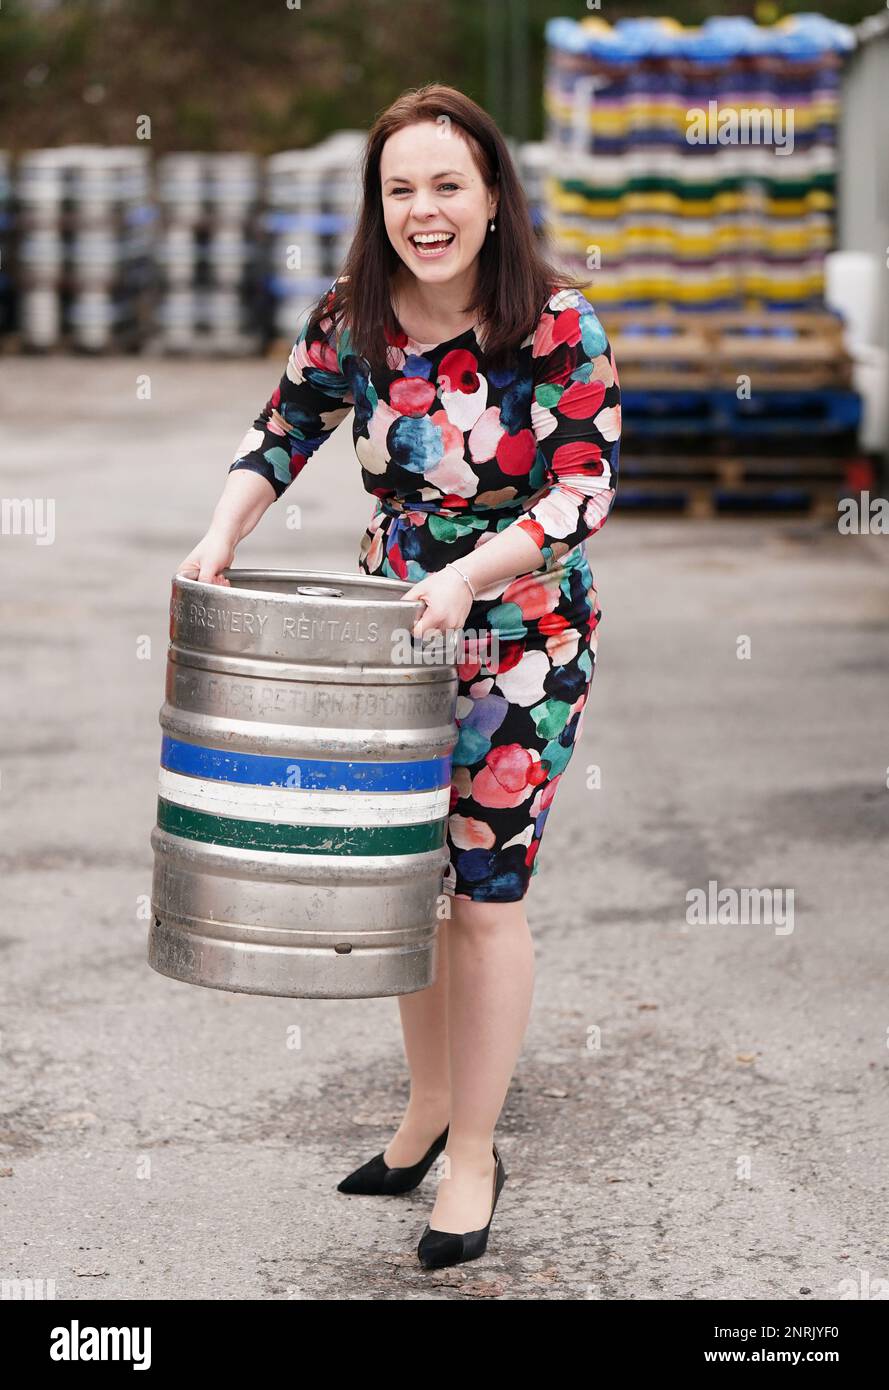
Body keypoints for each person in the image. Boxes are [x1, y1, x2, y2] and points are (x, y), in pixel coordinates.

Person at [177, 83, 620, 1271]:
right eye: (400, 189)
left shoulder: (556, 324)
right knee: (403, 887)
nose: (424, 211)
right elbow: (282, 428)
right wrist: (226, 533)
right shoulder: (354, 314)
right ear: (379, 207)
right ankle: (425, 1112)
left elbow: (580, 490)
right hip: (392, 633)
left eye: (447, 186)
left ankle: (474, 1147)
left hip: (520, 638)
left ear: (491, 198)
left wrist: (475, 573)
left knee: (483, 896)